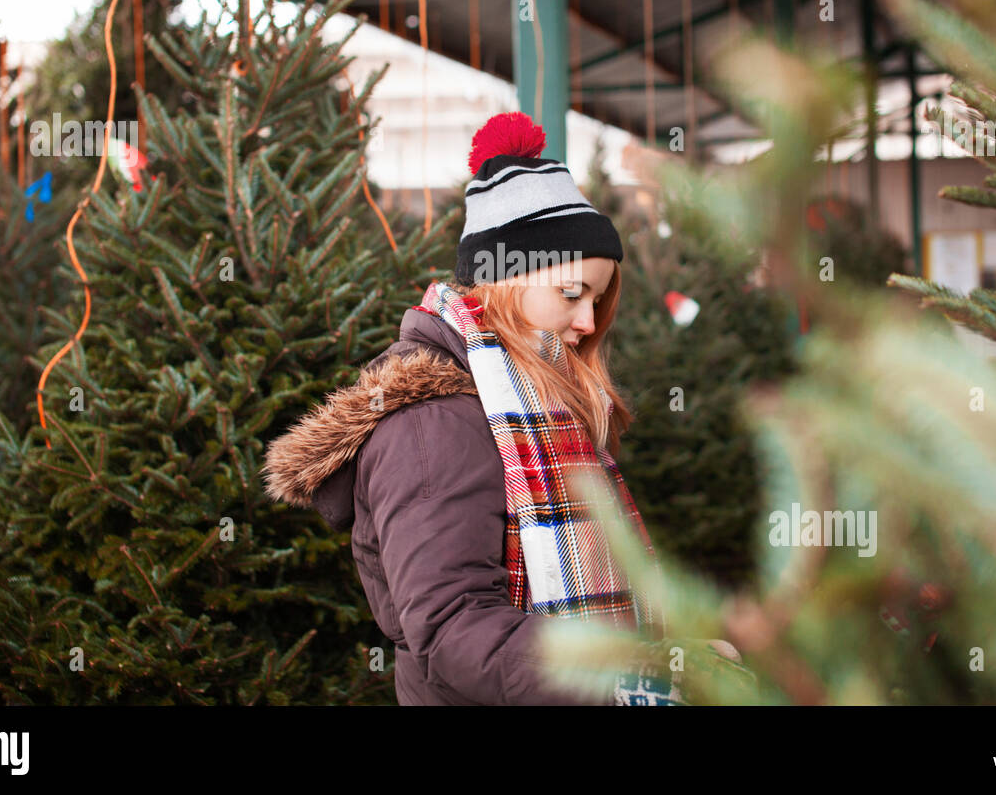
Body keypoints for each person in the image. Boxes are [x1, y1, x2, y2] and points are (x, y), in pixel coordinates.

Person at [263, 112, 692, 705]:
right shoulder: (431, 421)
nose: (589, 322)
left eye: (597, 299)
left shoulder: (529, 398)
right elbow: (451, 628)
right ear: (505, 280)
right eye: (572, 292)